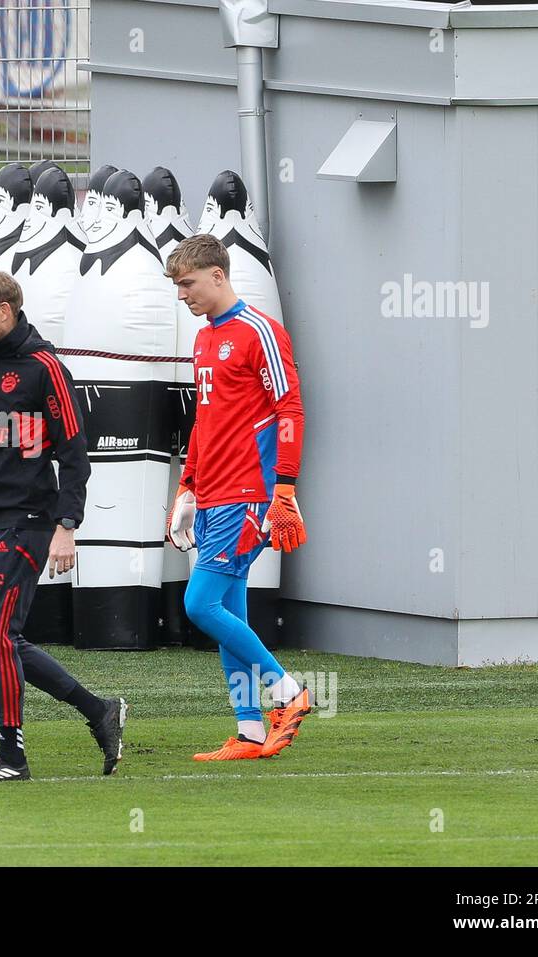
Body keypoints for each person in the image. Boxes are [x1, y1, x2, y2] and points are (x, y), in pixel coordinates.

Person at [0, 269, 126, 782]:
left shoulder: (45, 368)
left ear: (4, 311)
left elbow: (75, 454)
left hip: (30, 521)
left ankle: (12, 758)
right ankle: (98, 710)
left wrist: (67, 525)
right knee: (1, 638)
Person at [164, 235, 312, 761]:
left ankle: (289, 692)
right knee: (228, 610)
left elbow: (290, 408)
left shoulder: (259, 332)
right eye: (177, 286)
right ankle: (250, 732)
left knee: (199, 604)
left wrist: (285, 488)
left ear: (218, 275)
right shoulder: (205, 340)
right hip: (214, 494)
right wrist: (188, 486)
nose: (182, 294)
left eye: (187, 283)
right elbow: (206, 421)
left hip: (249, 494)